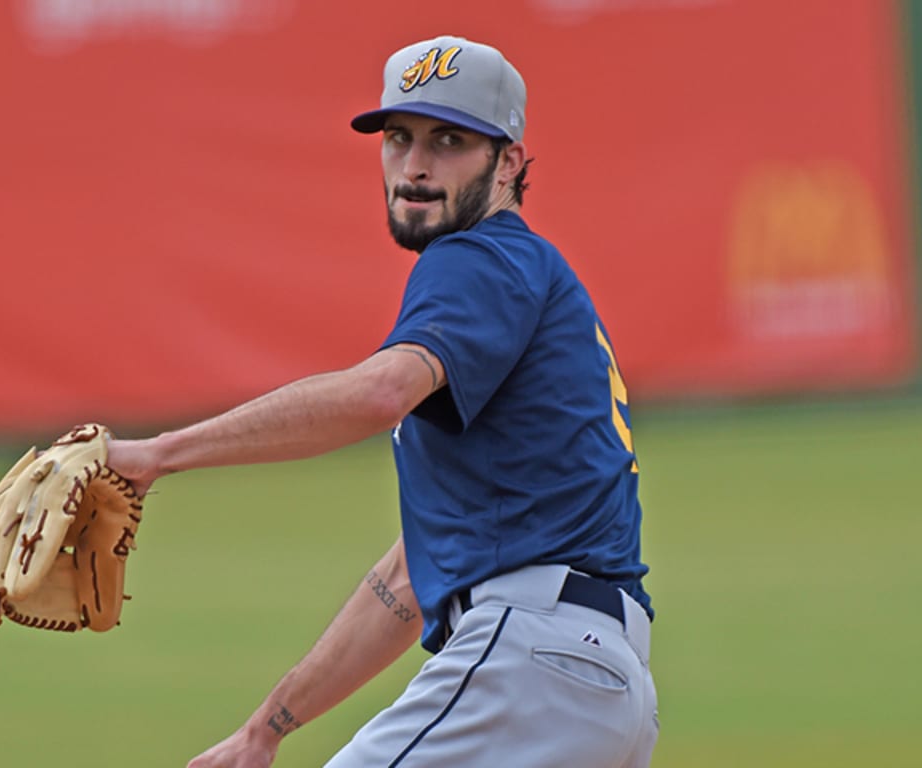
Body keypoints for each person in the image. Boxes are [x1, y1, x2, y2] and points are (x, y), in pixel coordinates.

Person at [105, 35, 658, 768]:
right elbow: (406, 581)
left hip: (532, 663)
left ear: (510, 163)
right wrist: (265, 730)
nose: (416, 165)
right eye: (399, 138)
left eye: (450, 140)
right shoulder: (522, 283)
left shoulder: (479, 258)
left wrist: (157, 454)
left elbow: (381, 391)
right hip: (592, 688)